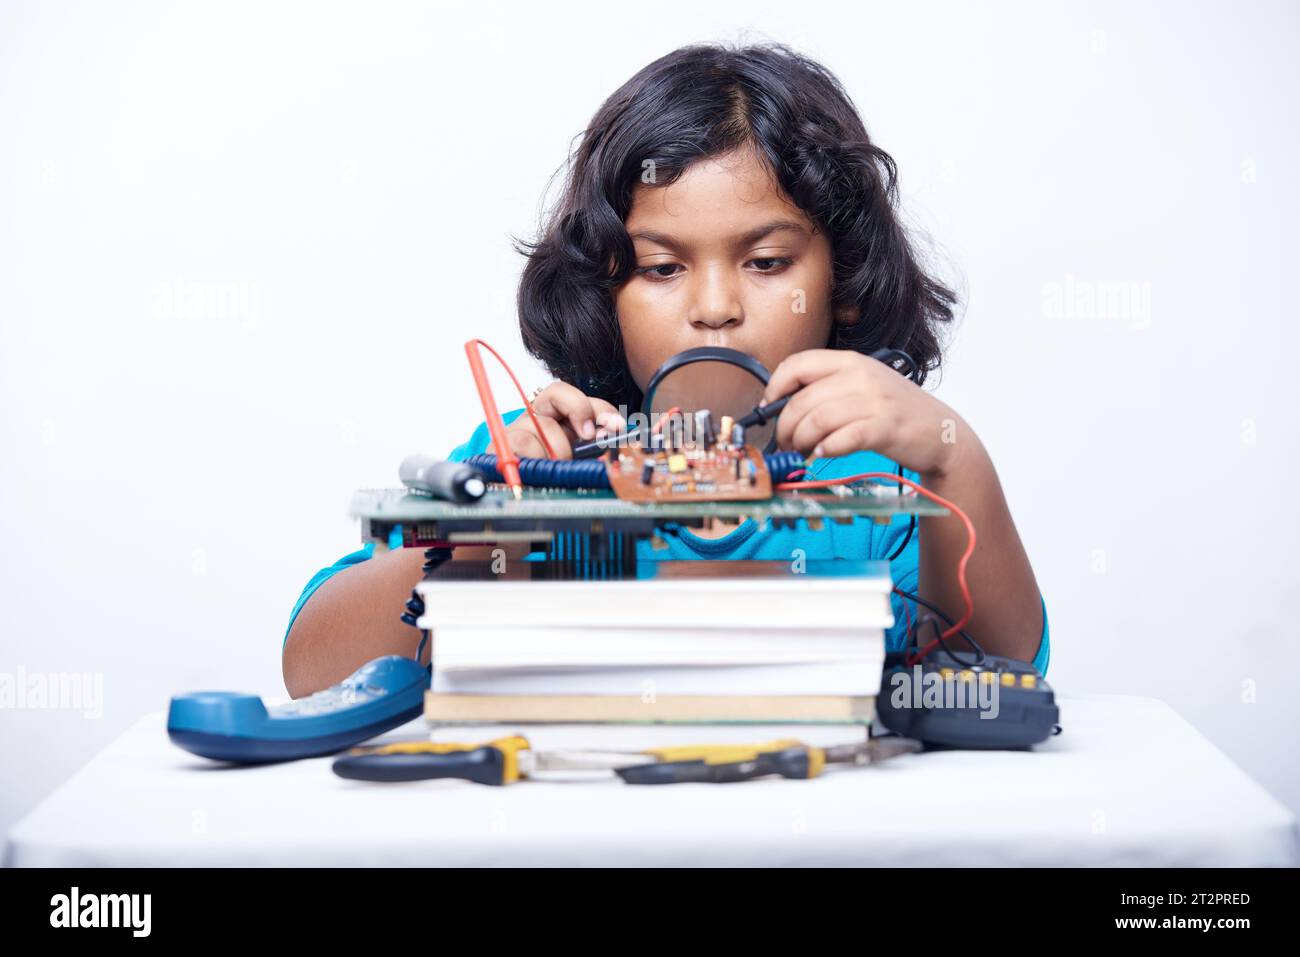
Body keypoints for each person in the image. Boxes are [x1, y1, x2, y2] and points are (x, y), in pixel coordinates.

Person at [282, 42, 1049, 697]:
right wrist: (495, 534)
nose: (715, 307)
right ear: (603, 291)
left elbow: (998, 672)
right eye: (659, 268)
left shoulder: (883, 482)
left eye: (768, 261)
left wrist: (954, 457)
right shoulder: (540, 461)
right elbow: (311, 668)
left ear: (841, 281)